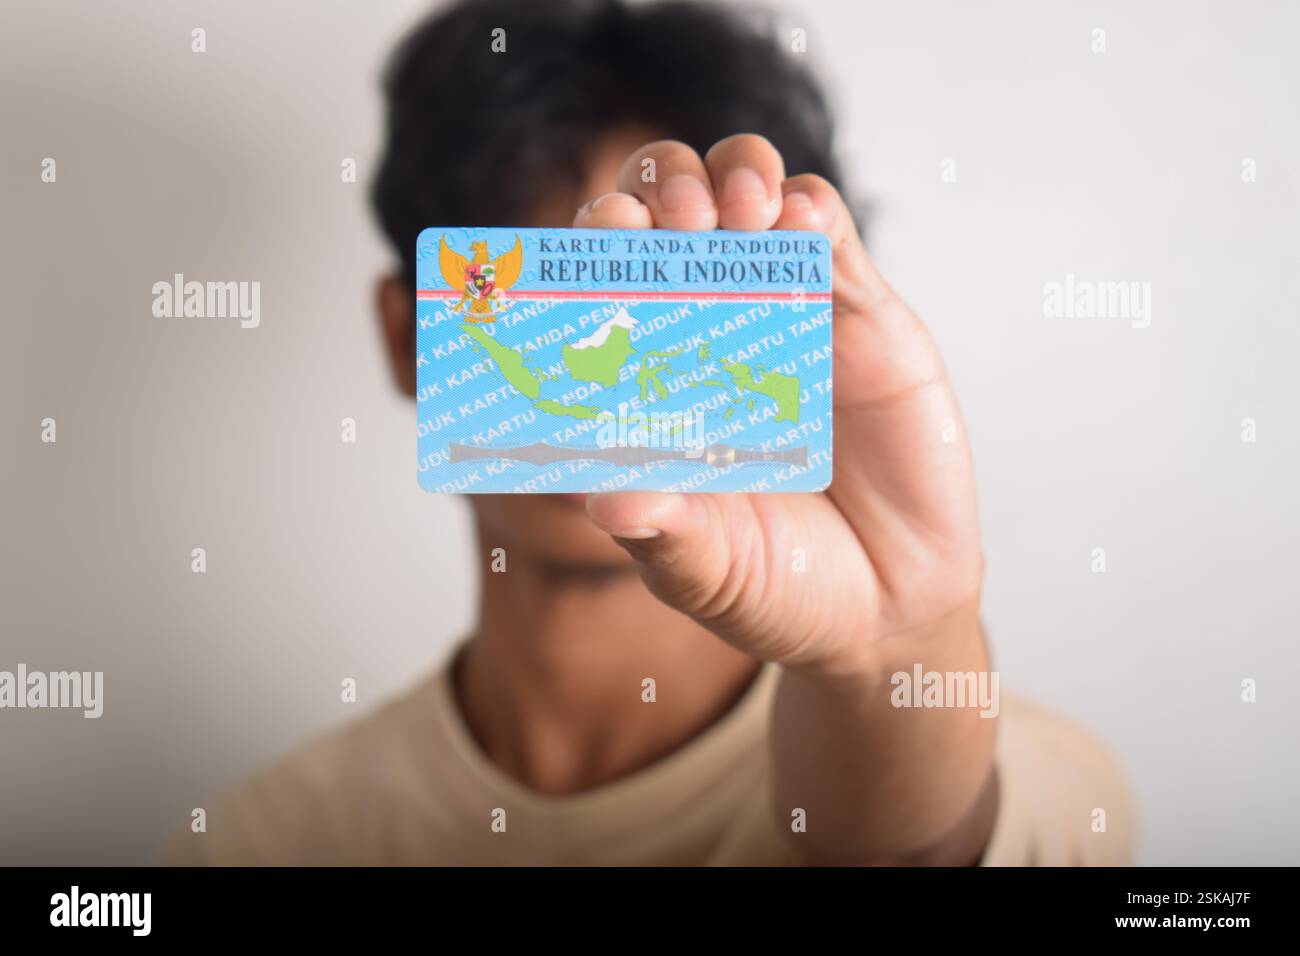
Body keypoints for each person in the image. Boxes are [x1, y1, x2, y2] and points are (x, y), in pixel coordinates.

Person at [163, 0, 1133, 866]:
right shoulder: (260, 841)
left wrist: (902, 646)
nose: (602, 397)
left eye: (669, 304)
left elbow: (917, 838)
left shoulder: (1027, 777)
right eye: (532, 305)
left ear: (799, 338)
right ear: (407, 338)